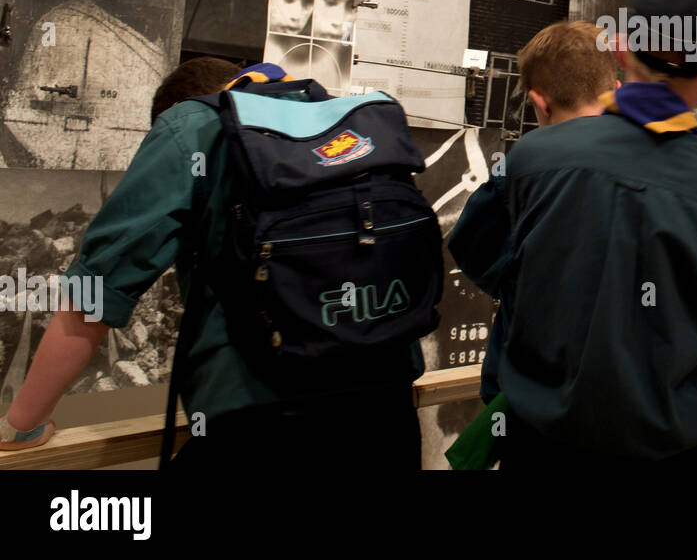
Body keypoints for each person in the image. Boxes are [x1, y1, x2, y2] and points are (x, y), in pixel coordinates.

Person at [0, 61, 427, 468]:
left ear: (173, 109)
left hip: (263, 428)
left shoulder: (190, 125)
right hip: (389, 419)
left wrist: (23, 424)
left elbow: (97, 290)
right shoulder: (347, 123)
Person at [491, 0, 697, 468]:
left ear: (619, 49)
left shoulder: (531, 161)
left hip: (538, 447)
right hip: (665, 455)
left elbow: (489, 265)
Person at [449, 20, 620, 403]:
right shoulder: (669, 164)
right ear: (618, 92)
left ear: (539, 102)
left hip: (534, 391)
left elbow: (473, 248)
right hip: (633, 401)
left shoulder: (523, 167)